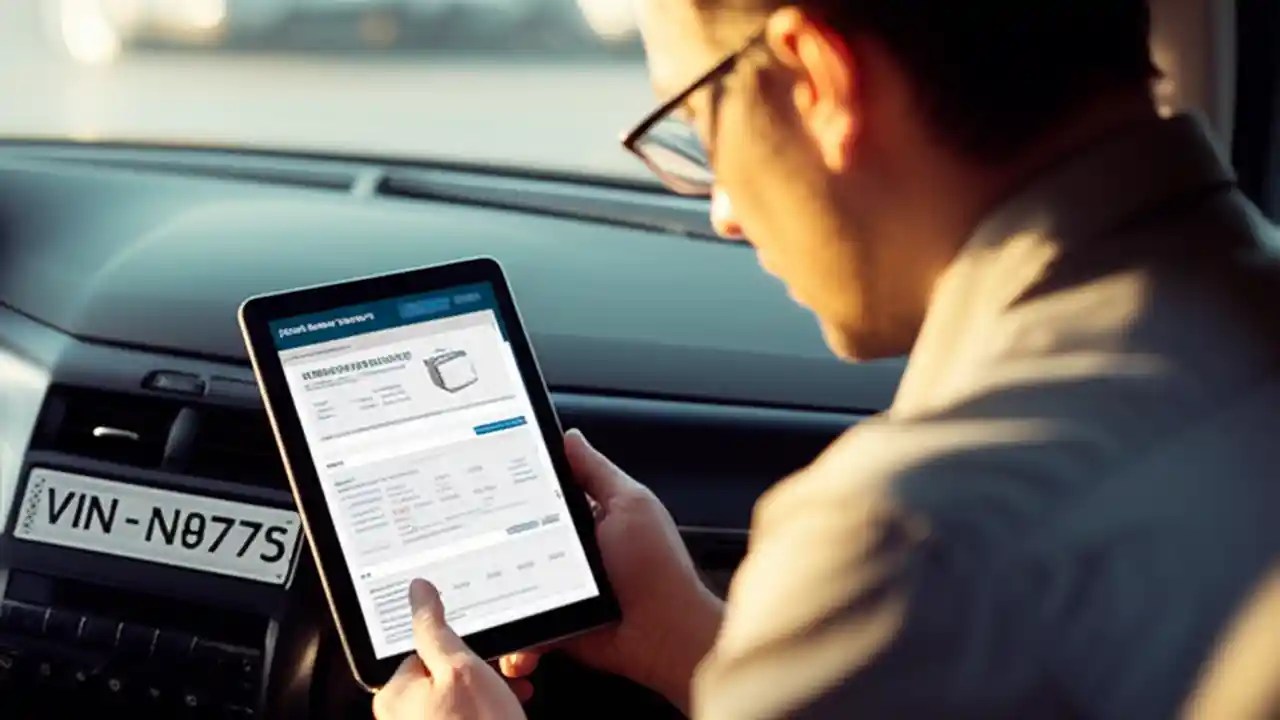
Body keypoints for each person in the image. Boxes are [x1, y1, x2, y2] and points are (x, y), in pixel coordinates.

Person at [373, 0, 1280, 717]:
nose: (724, 211)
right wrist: (686, 639)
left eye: (697, 122)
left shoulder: (913, 538)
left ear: (819, 78)